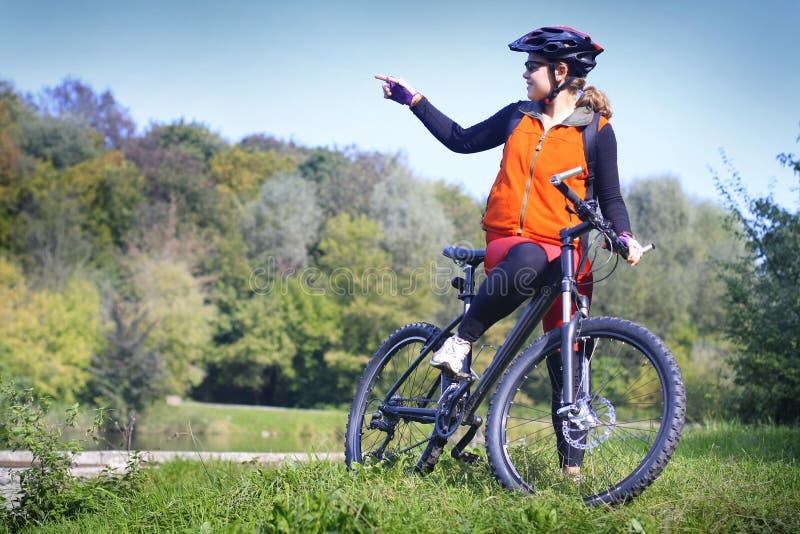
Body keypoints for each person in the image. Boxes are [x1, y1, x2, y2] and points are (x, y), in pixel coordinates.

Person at [376, 26, 643, 475]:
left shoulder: (596, 132)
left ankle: (570, 471)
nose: (524, 73)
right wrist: (414, 101)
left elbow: (612, 197)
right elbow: (460, 140)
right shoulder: (518, 116)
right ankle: (461, 342)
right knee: (531, 258)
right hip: (511, 244)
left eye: (532, 65)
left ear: (560, 72)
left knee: (568, 356)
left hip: (566, 252)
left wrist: (625, 235)